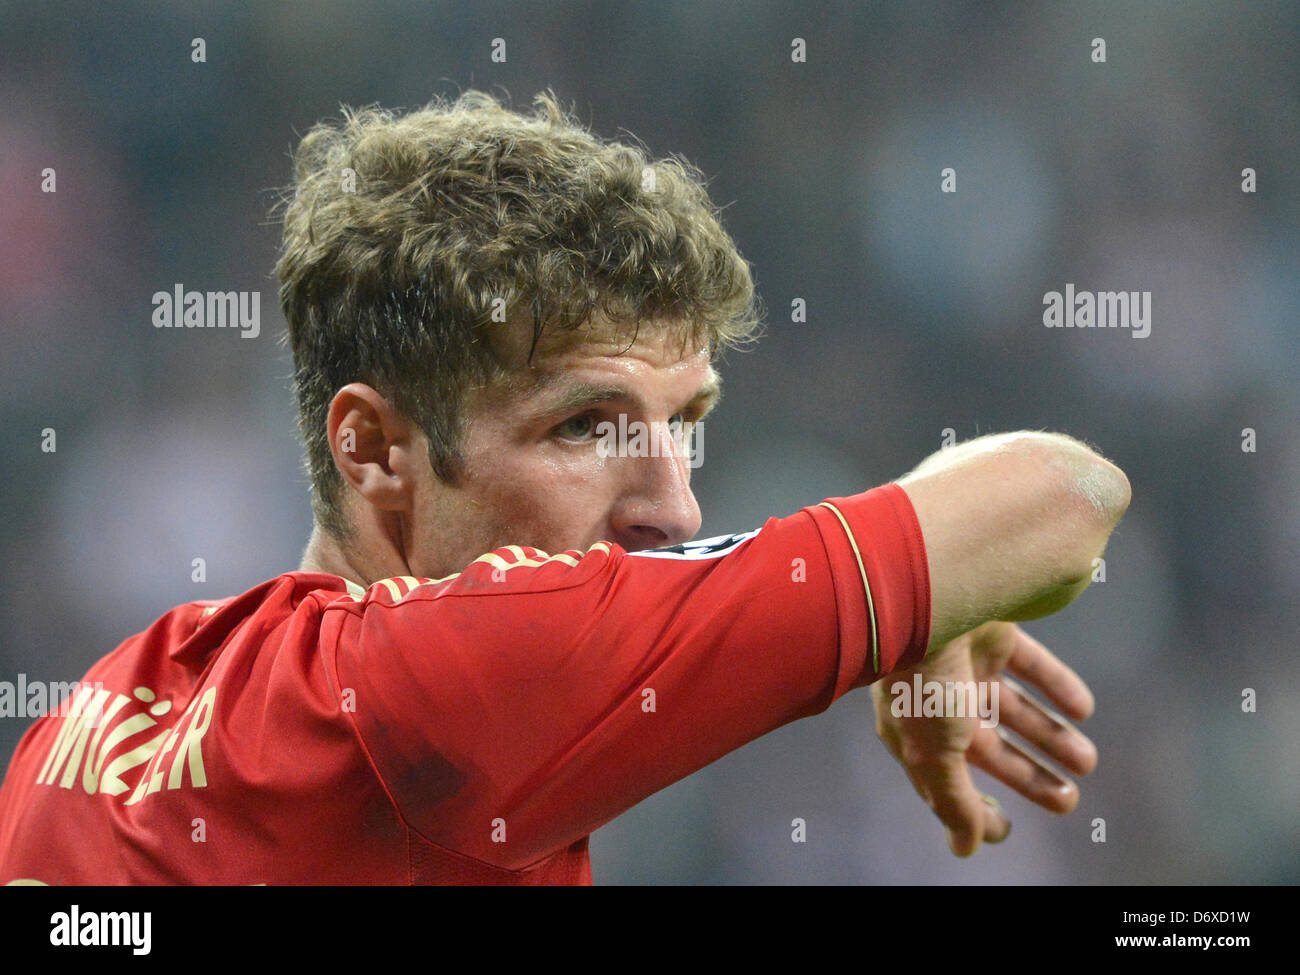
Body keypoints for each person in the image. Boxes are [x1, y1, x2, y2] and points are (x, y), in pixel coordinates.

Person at [0, 90, 1130, 884]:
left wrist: (929, 603)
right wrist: (933, 599)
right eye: (586, 426)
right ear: (375, 450)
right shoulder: (456, 673)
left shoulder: (88, 722)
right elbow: (1067, 497)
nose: (672, 507)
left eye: (684, 425)